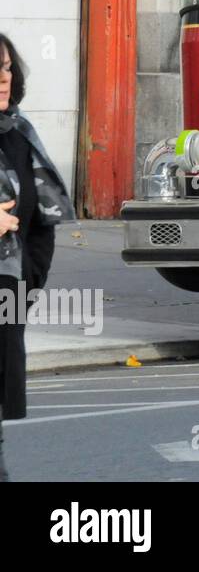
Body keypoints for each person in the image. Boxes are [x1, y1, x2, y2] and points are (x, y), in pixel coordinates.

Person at [0, 33, 73, 481]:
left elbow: (42, 216)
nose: (2, 78)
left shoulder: (19, 135)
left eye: (6, 67)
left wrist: (30, 278)